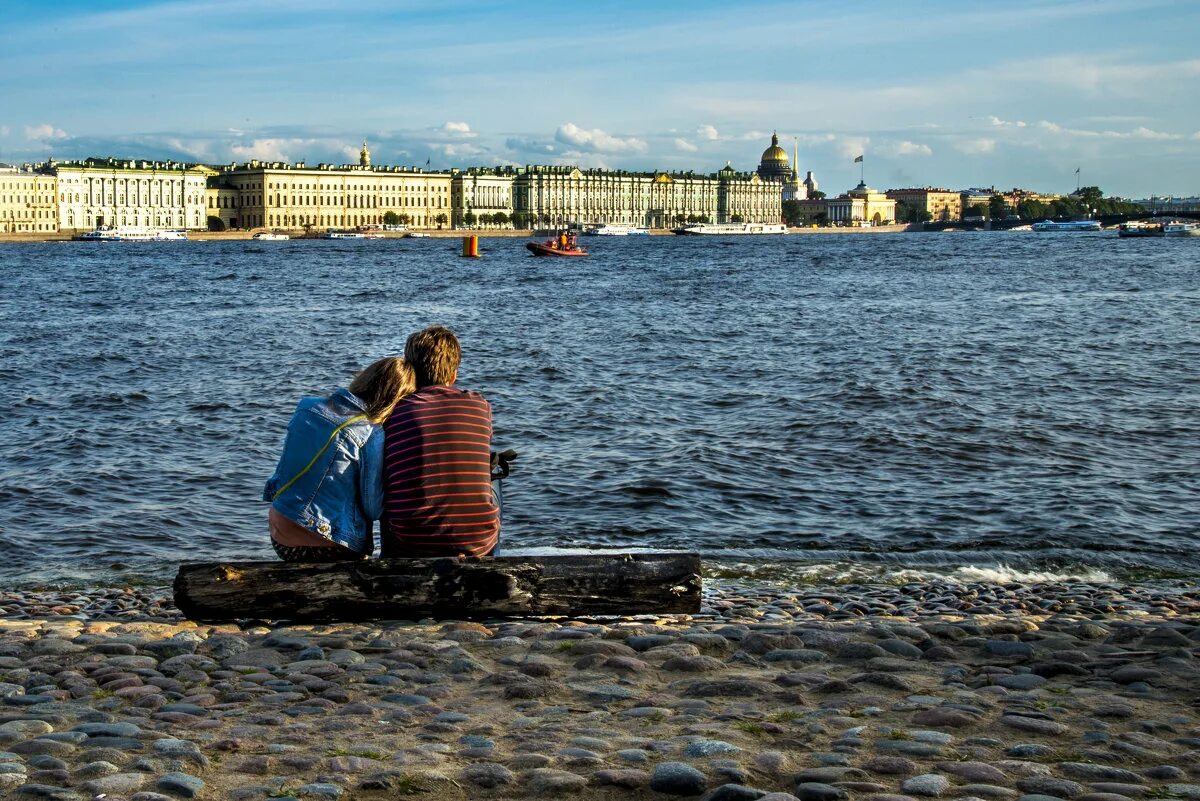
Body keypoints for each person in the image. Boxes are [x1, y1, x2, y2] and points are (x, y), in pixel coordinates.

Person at [264, 357, 415, 562]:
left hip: (279, 530)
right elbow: (374, 509)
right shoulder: (370, 433)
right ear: (396, 399)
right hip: (324, 545)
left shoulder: (306, 407)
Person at [381, 326, 500, 558]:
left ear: (410, 372)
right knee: (490, 477)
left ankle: (390, 563)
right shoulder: (479, 405)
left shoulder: (394, 411)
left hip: (409, 542)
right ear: (454, 374)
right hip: (477, 541)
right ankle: (491, 565)